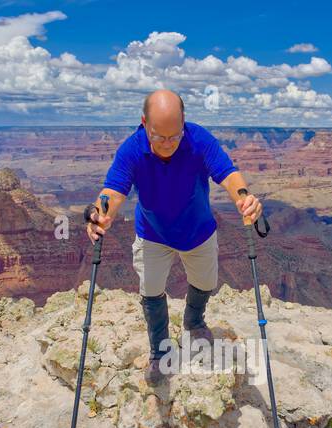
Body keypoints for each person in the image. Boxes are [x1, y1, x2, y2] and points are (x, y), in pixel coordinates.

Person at [85, 89, 262, 382]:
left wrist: (244, 197)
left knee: (205, 283)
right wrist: (100, 214)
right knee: (151, 290)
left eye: (174, 136)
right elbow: (113, 190)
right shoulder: (132, 149)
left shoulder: (199, 139)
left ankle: (193, 321)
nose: (167, 144)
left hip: (198, 232)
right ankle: (160, 351)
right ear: (144, 123)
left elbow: (227, 173)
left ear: (184, 124)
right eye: (159, 136)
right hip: (153, 234)